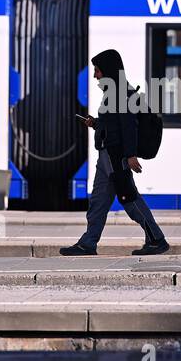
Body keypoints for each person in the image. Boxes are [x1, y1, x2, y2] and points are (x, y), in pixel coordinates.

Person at [61, 49, 170, 256]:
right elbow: (114, 124)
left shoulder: (120, 93)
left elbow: (128, 126)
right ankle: (88, 243)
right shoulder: (113, 94)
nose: (95, 75)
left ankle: (156, 239)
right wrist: (95, 124)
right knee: (98, 202)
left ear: (108, 70)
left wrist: (129, 155)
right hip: (106, 157)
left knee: (129, 198)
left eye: (97, 70)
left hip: (115, 156)